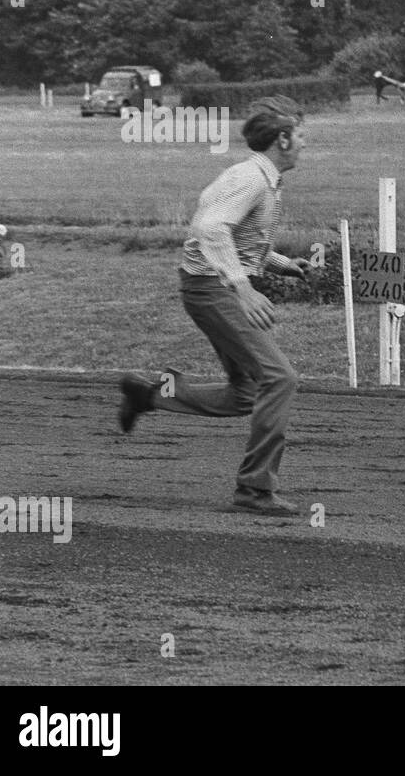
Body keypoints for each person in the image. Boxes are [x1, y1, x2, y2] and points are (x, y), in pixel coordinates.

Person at [117, 96, 311, 516]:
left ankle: (149, 396)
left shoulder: (258, 176)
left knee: (247, 394)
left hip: (209, 285)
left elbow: (237, 236)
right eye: (299, 136)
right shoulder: (252, 180)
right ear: (281, 139)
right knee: (280, 379)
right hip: (212, 289)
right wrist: (243, 288)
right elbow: (209, 228)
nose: (303, 144)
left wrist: (279, 264)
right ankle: (255, 489)